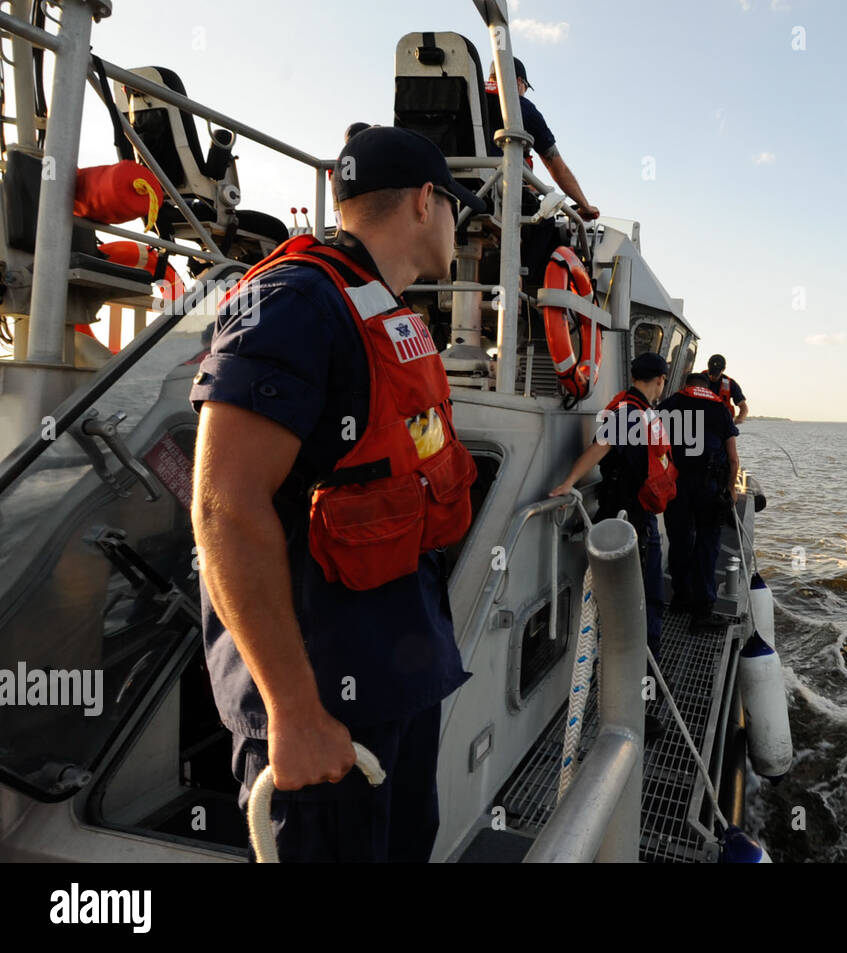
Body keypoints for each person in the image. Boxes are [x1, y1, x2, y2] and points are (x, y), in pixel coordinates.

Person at [190, 126, 487, 863]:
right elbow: (224, 506)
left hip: (391, 682)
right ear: (426, 202)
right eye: (458, 208)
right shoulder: (297, 303)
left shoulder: (373, 307)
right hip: (324, 711)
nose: (461, 227)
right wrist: (293, 711)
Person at [548, 352, 675, 661]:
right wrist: (569, 483)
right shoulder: (631, 412)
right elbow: (600, 448)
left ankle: (643, 664)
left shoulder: (638, 408)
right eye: (663, 381)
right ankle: (645, 671)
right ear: (659, 380)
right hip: (629, 515)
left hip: (635, 510)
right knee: (643, 597)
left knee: (645, 595)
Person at [659, 372, 740, 628]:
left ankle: (680, 599)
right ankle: (702, 612)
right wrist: (731, 490)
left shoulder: (669, 404)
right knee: (707, 547)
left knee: (680, 543)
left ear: (687, 387)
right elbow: (733, 458)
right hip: (709, 488)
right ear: (707, 388)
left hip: (675, 486)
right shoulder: (719, 407)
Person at [484, 57, 599, 221]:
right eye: (525, 87)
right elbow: (558, 168)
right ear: (518, 81)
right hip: (500, 194)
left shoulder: (465, 96)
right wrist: (585, 206)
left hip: (458, 189)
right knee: (546, 225)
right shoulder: (522, 108)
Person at [705, 354, 749, 425]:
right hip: (701, 422)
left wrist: (739, 419)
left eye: (716, 374)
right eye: (711, 373)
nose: (712, 376)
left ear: (723, 370)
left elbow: (744, 407)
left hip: (722, 423)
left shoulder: (730, 384)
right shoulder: (698, 379)